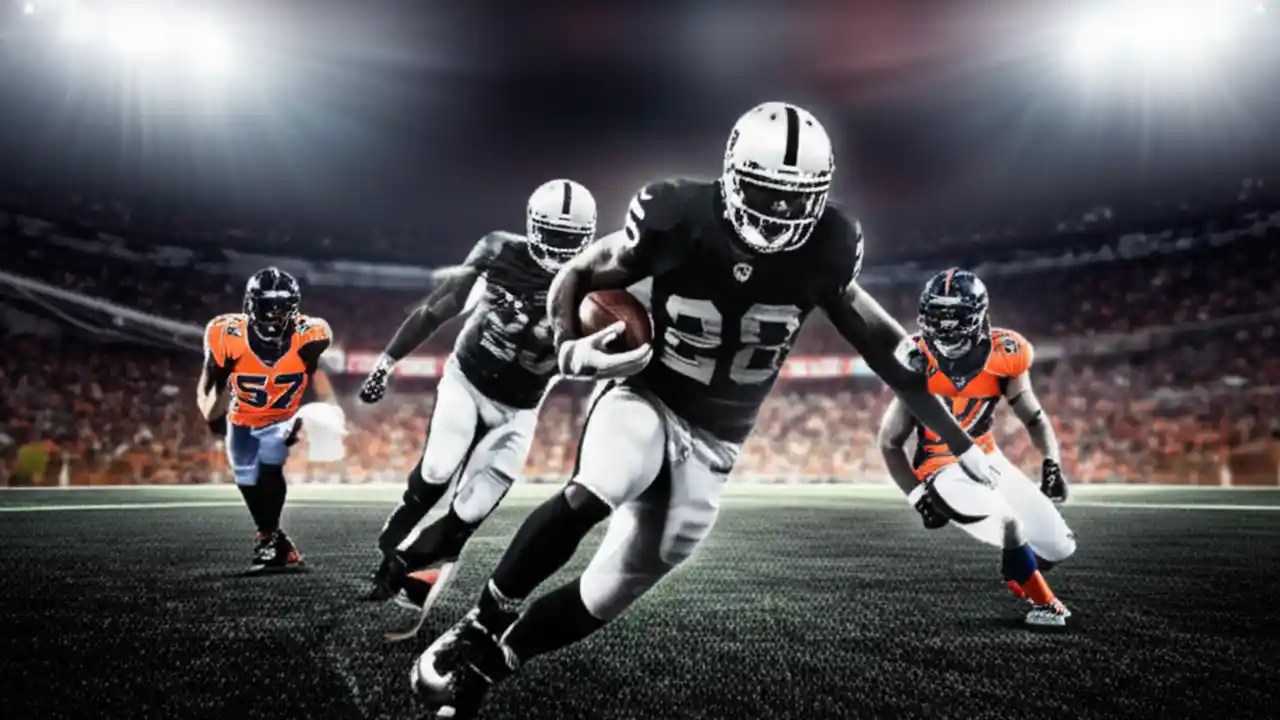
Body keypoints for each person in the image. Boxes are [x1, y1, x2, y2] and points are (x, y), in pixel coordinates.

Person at [411, 102, 1000, 718]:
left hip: (720, 439)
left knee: (618, 585)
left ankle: (494, 665)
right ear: (731, 175)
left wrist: (958, 442)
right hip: (651, 391)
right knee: (601, 485)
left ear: (821, 196)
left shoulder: (829, 245)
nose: (776, 216)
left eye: (794, 200)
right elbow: (579, 270)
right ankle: (482, 621)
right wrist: (566, 342)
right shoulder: (676, 213)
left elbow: (888, 354)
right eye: (764, 193)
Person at [359, 180, 598, 612]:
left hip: (521, 408)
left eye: (571, 240)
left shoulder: (596, 280)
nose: (561, 249)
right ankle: (399, 532)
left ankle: (403, 567)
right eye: (553, 235)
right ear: (532, 226)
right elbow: (438, 307)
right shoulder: (501, 250)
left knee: (471, 510)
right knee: (438, 469)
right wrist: (386, 361)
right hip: (467, 381)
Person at [878, 267, 1076, 627]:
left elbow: (1032, 416)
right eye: (938, 318)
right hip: (940, 466)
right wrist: (918, 497)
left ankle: (1018, 571)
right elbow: (889, 442)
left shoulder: (1007, 352)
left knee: (1060, 546)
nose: (946, 329)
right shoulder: (913, 358)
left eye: (955, 319)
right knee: (1009, 524)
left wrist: (1052, 463)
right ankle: (1044, 604)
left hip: (987, 457)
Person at [197, 267, 335, 573]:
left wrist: (309, 414)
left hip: (282, 415)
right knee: (246, 476)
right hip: (242, 415)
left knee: (270, 469)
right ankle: (274, 538)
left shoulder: (312, 334)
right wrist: (214, 404)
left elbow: (312, 377)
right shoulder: (225, 333)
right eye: (266, 304)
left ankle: (268, 540)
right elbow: (208, 386)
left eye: (280, 305)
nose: (273, 313)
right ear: (250, 304)